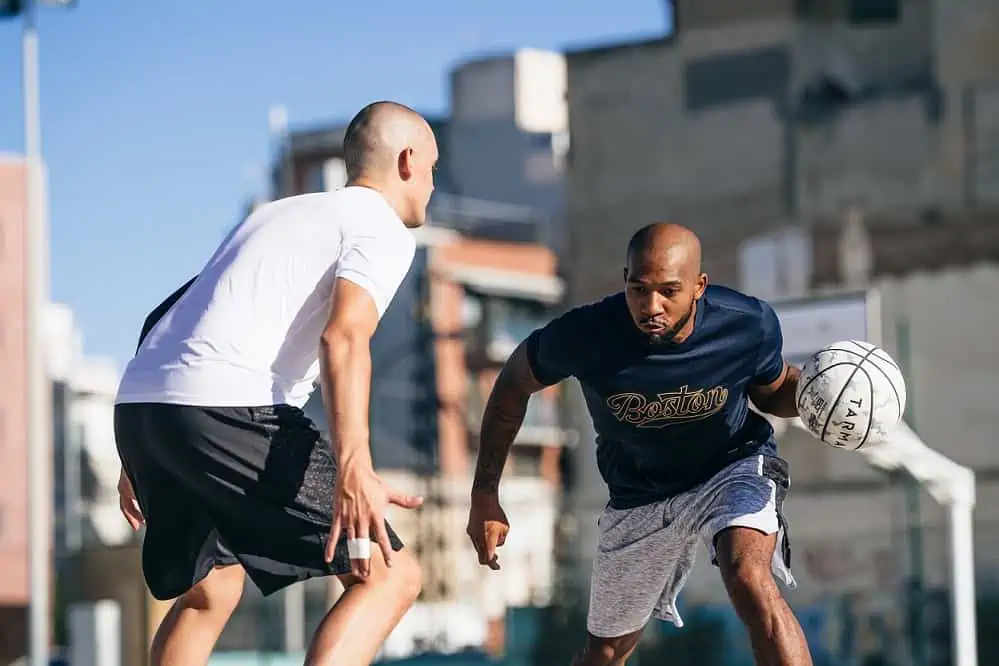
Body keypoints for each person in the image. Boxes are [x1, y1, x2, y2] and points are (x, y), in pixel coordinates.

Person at [114, 100, 438, 666]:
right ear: (407, 161)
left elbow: (167, 315)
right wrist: (354, 465)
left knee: (211, 589)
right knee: (390, 575)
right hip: (227, 406)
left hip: (146, 407)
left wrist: (141, 448)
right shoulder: (380, 227)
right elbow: (344, 336)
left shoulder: (277, 215)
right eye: (433, 169)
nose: (433, 185)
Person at [466, 223, 814, 666]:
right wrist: (485, 493)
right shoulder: (587, 333)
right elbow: (513, 384)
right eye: (639, 289)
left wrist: (812, 396)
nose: (651, 307)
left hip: (731, 467)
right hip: (639, 494)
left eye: (669, 291)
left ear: (699, 286)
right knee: (605, 653)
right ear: (625, 280)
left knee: (748, 575)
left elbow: (771, 392)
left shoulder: (746, 324)